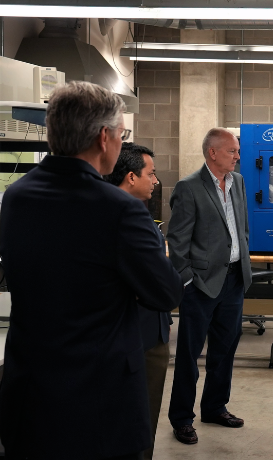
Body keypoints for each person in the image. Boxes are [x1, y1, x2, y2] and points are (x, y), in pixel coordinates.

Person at [0, 81, 183, 459]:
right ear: (104, 137)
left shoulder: (15, 197)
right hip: (100, 398)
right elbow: (165, 293)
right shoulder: (120, 209)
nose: (121, 141)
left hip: (30, 388)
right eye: (122, 134)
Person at [167, 128, 252, 445]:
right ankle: (182, 419)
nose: (238, 156)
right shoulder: (188, 188)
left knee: (225, 350)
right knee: (189, 355)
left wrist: (244, 262)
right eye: (232, 151)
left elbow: (242, 228)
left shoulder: (239, 182)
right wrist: (189, 279)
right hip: (201, 284)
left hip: (233, 279)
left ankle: (215, 407)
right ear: (212, 152)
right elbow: (176, 242)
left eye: (237, 151)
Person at [104, 143, 169, 460]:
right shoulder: (115, 218)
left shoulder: (143, 218)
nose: (155, 181)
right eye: (151, 174)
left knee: (146, 421)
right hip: (131, 338)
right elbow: (161, 285)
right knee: (132, 425)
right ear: (131, 177)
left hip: (153, 332)